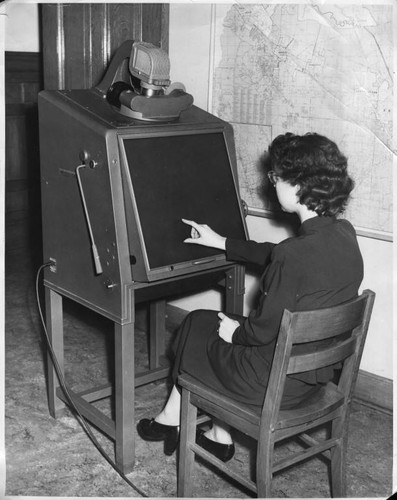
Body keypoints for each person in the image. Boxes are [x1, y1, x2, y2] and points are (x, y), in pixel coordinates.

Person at [137, 132, 364, 461]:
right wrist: (222, 242)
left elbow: (260, 331)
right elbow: (278, 256)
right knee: (205, 324)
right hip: (311, 380)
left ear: (298, 185)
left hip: (272, 385)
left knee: (197, 325)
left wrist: (237, 334)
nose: (273, 184)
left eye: (277, 176)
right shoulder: (343, 234)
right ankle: (215, 432)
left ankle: (175, 419)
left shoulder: (293, 255)